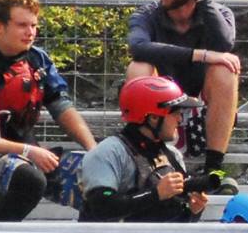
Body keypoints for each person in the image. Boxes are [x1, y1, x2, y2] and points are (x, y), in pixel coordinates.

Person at [0, 0, 97, 222]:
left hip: (28, 153)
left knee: (98, 175)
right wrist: (28, 152)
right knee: (30, 179)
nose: (31, 32)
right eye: (22, 25)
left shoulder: (37, 59)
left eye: (34, 26)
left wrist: (94, 150)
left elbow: (61, 106)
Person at [125, 0, 240, 191]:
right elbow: (138, 47)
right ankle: (147, 162)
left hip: (202, 111)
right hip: (161, 111)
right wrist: (201, 55)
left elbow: (224, 43)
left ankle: (214, 170)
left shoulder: (218, 14)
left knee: (225, 70)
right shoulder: (147, 14)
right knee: (138, 68)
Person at [78, 76, 207, 223]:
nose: (180, 120)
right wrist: (156, 194)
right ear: (153, 117)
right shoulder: (108, 152)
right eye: (175, 113)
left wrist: (191, 211)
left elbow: (173, 222)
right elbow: (101, 207)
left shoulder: (173, 156)